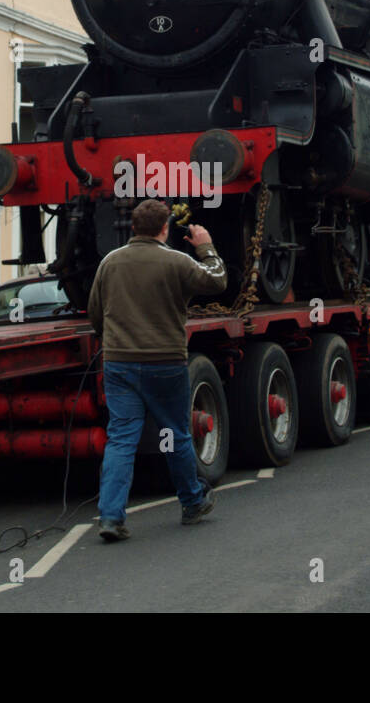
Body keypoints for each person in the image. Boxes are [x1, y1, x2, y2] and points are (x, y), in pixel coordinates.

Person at [86, 199, 227, 542]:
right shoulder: (177, 261)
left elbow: (95, 311)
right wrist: (205, 246)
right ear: (165, 228)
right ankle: (192, 501)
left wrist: (113, 344)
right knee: (176, 435)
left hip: (119, 363)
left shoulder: (110, 262)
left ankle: (110, 516)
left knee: (121, 439)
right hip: (166, 362)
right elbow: (218, 281)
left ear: (133, 228)